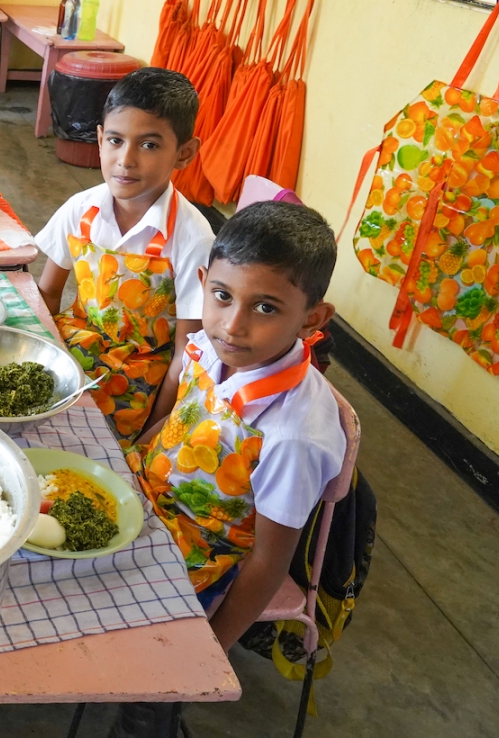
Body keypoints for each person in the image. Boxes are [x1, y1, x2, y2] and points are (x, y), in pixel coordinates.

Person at [110, 201, 345, 738]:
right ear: (202, 284)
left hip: (203, 557)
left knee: (144, 659)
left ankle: (152, 714)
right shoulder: (206, 347)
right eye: (222, 296)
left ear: (312, 318)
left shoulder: (292, 436)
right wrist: (129, 464)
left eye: (265, 308)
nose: (233, 326)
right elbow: (171, 418)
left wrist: (208, 650)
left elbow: (266, 562)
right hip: (149, 496)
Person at [35, 68, 215, 442]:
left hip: (139, 383)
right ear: (100, 139)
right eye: (116, 140)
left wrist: (154, 429)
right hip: (73, 349)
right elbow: (49, 293)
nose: (126, 160)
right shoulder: (79, 209)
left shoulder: (194, 239)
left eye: (149, 145)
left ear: (184, 153)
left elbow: (185, 353)